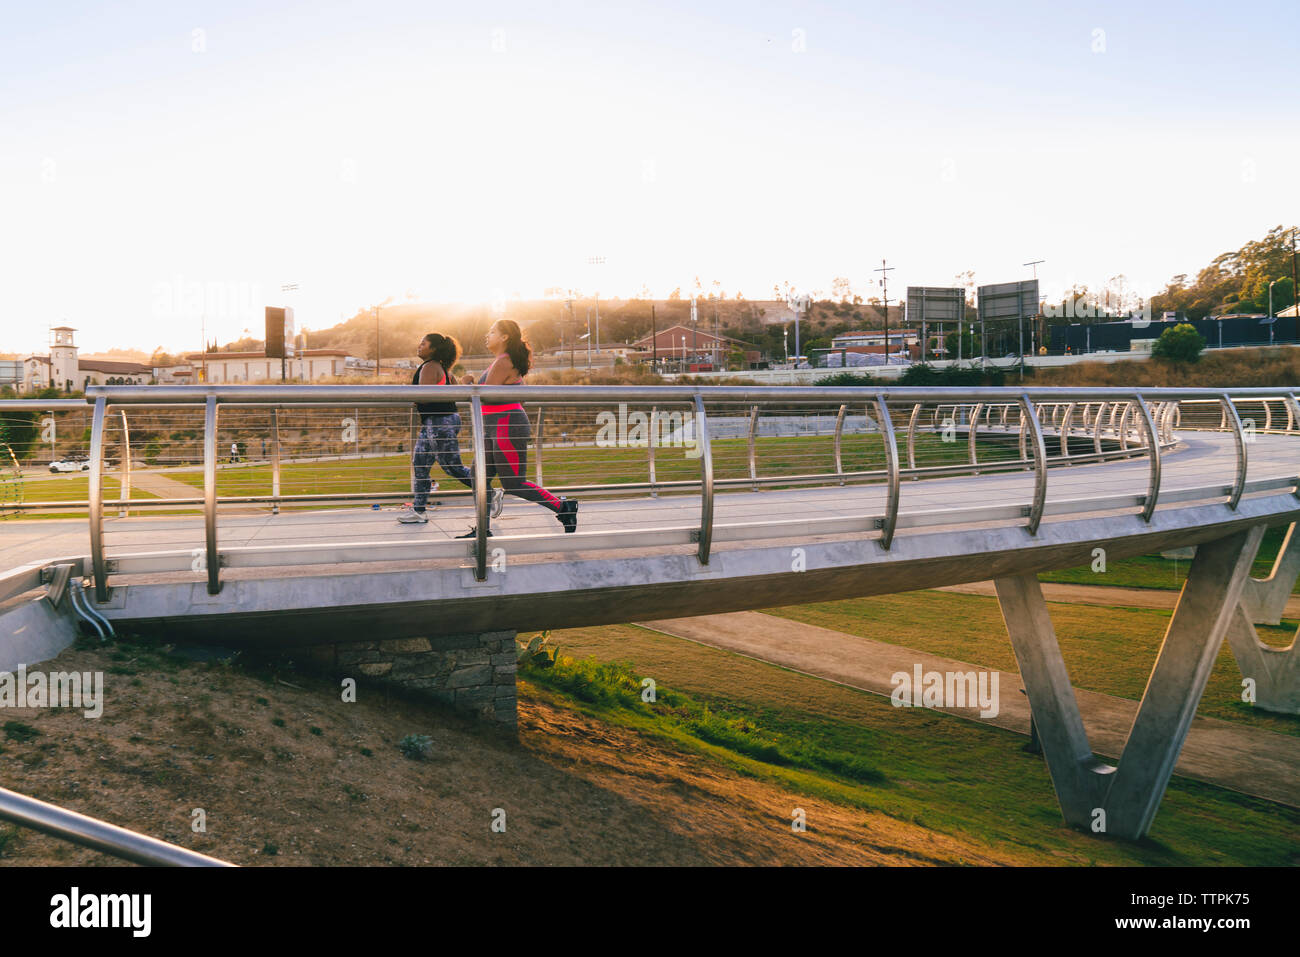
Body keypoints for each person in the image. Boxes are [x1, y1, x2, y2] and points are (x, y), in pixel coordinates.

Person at [452, 319, 577, 538]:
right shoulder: (499, 361)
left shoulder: (504, 361)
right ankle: (483, 529)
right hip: (495, 425)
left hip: (506, 424)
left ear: (504, 337)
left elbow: (485, 396)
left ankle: (564, 508)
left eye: (492, 332)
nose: (487, 335)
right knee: (477, 477)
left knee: (514, 483)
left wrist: (468, 384)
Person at [396, 333, 496, 523]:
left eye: (423, 343)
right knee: (420, 463)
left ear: (433, 349)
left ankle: (489, 490)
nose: (419, 346)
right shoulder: (443, 369)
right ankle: (418, 510)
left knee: (453, 467)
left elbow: (424, 396)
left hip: (438, 422)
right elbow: (454, 391)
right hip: (441, 421)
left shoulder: (429, 367)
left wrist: (407, 393)